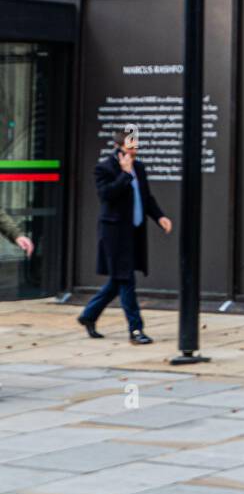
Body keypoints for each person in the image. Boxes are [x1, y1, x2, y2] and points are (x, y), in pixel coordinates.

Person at [78, 127, 172, 344]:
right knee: (126, 281)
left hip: (134, 233)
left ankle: (89, 316)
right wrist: (124, 174)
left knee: (117, 281)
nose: (134, 153)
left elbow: (146, 198)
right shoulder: (104, 168)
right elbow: (106, 195)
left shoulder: (139, 167)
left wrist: (160, 217)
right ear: (118, 147)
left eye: (136, 148)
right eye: (130, 148)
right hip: (114, 235)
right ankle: (136, 330)